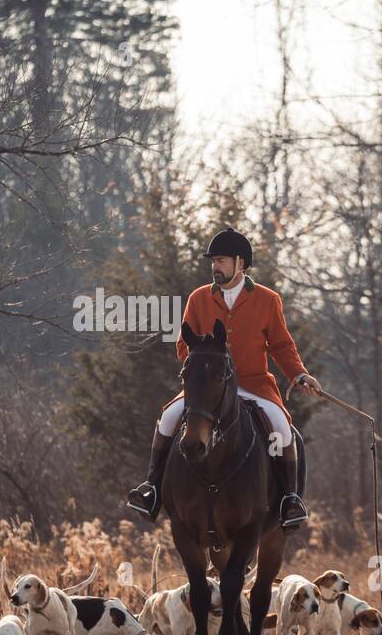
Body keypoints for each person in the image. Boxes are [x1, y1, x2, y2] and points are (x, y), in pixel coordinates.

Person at [127, 227, 323, 531]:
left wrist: (299, 373)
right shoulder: (199, 298)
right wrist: (205, 360)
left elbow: (281, 345)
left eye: (221, 261)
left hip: (255, 384)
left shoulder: (268, 300)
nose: (215, 267)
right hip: (209, 389)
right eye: (213, 262)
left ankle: (289, 499)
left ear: (240, 263)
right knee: (168, 418)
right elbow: (183, 345)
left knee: (282, 428)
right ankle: (151, 488)